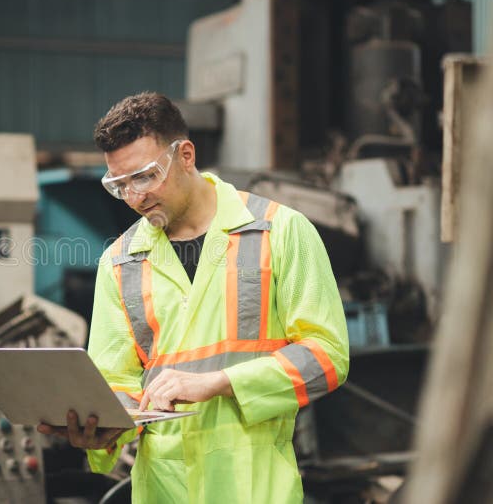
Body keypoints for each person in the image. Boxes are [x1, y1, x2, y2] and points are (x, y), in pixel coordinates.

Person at [37, 92, 349, 503]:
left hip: (254, 488)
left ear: (185, 155)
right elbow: (116, 383)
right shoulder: (120, 261)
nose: (134, 197)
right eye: (120, 185)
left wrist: (219, 383)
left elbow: (327, 356)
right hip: (163, 490)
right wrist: (101, 429)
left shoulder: (280, 231)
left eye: (145, 176)